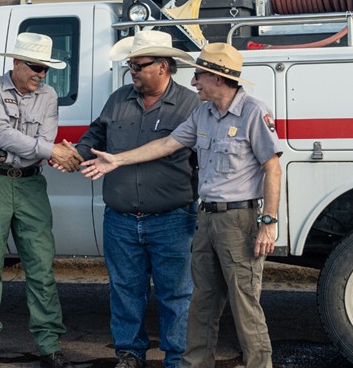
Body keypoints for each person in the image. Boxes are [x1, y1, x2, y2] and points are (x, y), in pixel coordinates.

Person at [82, 42, 283, 368]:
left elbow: (272, 167)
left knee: (244, 304)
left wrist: (269, 222)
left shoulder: (253, 113)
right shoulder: (202, 113)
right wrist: (116, 160)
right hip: (206, 219)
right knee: (201, 302)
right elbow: (166, 143)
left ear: (218, 78)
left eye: (199, 76)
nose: (193, 82)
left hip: (239, 220)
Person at [75, 30, 200, 368]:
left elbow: (207, 160)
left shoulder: (191, 104)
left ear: (163, 66)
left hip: (172, 218)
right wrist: (75, 154)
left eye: (138, 66)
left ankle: (178, 358)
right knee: (125, 291)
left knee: (176, 294)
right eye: (130, 65)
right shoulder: (118, 99)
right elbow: (95, 134)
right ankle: (129, 354)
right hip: (120, 219)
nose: (132, 71)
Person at [0, 33, 83, 368]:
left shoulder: (48, 96)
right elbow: (3, 133)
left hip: (31, 185)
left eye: (45, 68)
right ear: (15, 63)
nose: (41, 74)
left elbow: (32, 141)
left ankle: (49, 344)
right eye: (35, 67)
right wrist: (41, 149)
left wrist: (2, 149)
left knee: (41, 266)